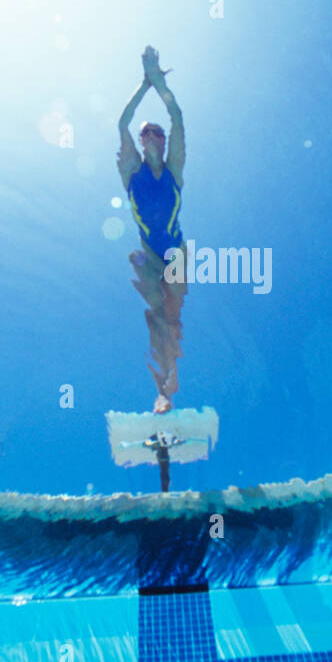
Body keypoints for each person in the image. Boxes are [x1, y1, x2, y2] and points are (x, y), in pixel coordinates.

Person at [117, 46, 187, 414]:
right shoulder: (132, 172)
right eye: (147, 134)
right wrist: (144, 84)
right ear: (142, 144)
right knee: (155, 314)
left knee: (172, 315)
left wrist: (160, 82)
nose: (152, 137)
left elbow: (176, 115)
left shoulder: (175, 168)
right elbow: (122, 123)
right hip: (148, 255)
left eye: (157, 134)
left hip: (175, 253)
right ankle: (161, 390)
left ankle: (169, 388)